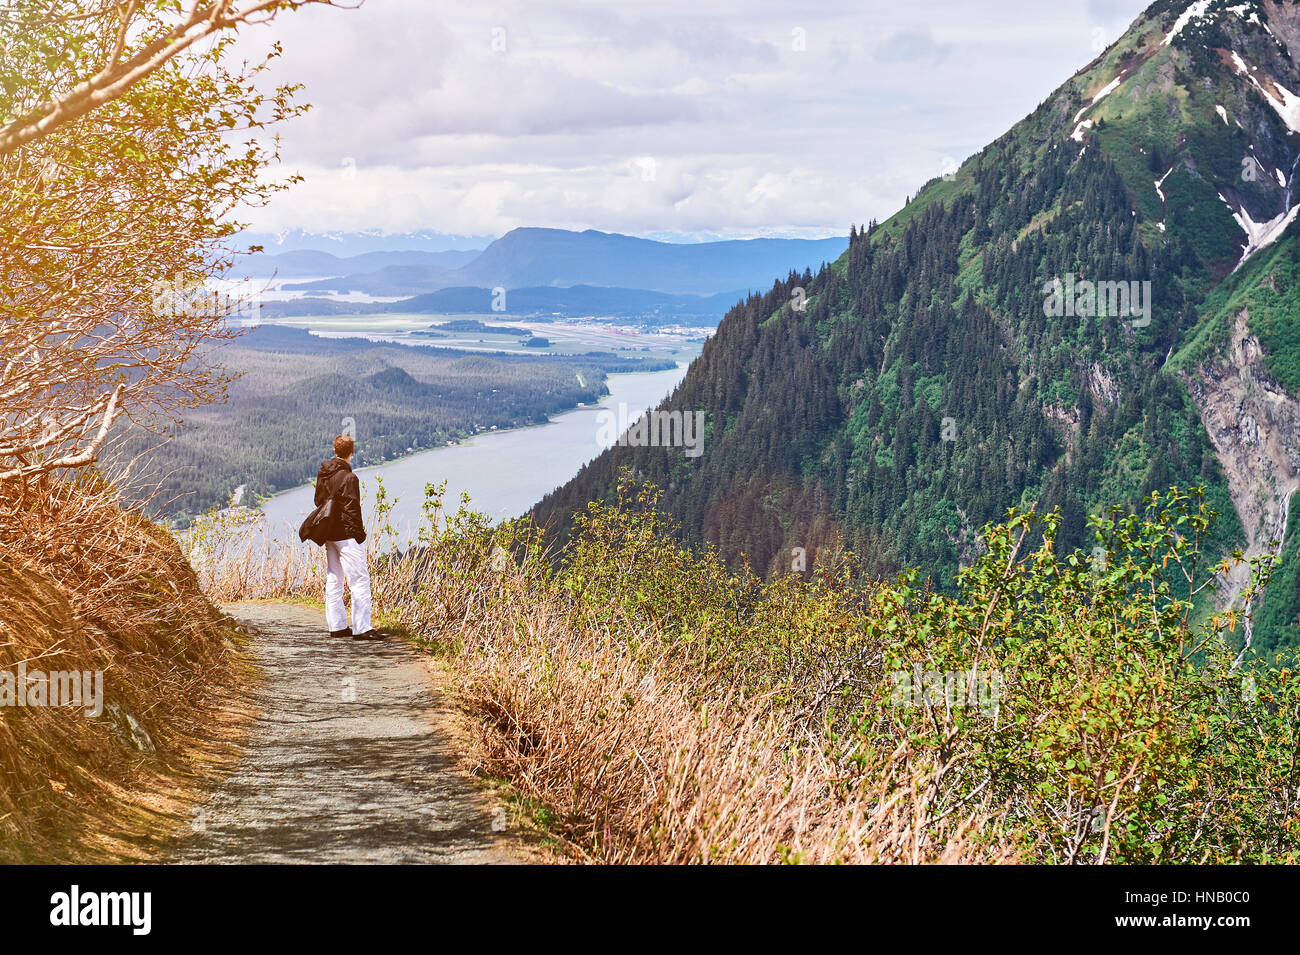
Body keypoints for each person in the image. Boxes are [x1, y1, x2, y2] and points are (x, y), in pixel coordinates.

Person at [314, 434, 382, 640]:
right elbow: (353, 510)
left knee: (334, 578)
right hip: (346, 534)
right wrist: (359, 536)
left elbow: (318, 501)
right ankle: (362, 628)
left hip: (329, 534)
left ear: (335, 450)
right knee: (359, 579)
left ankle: (337, 626)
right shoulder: (350, 478)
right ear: (351, 453)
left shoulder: (324, 473)